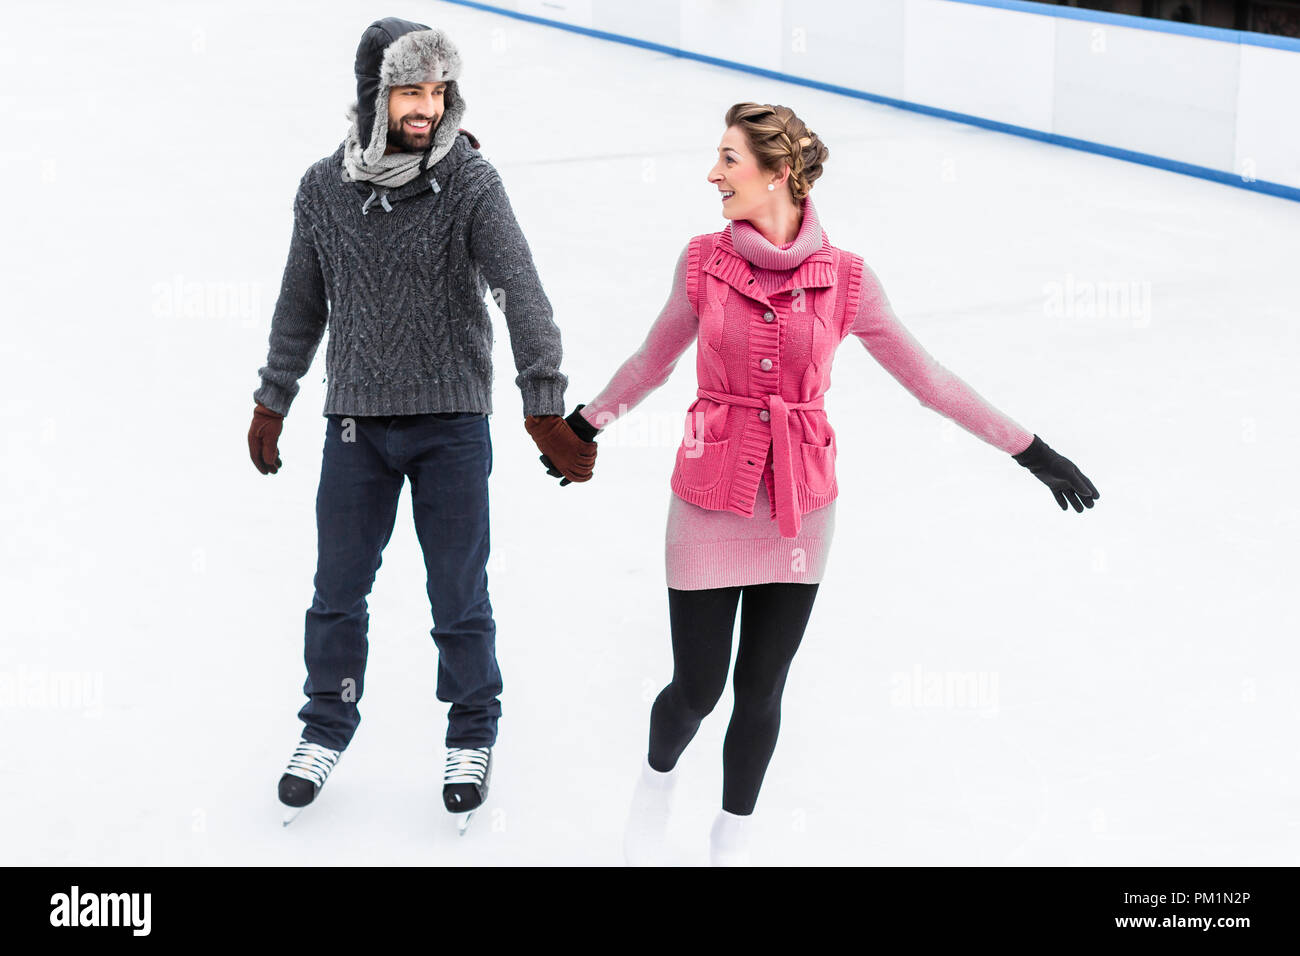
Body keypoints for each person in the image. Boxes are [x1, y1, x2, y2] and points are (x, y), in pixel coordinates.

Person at [548, 102, 1099, 865]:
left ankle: (729, 838)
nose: (712, 174)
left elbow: (929, 379)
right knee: (698, 688)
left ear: (778, 175)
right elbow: (654, 359)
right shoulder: (703, 260)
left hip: (802, 505)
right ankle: (656, 779)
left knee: (763, 688)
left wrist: (1029, 450)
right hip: (708, 493)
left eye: (729, 160)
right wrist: (585, 424)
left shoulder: (846, 279)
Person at [247, 16, 597, 829]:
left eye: (439, 92)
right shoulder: (323, 189)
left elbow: (522, 291)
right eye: (411, 90)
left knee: (457, 594)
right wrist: (275, 396)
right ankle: (326, 725)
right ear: (375, 95)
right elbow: (301, 303)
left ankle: (472, 729)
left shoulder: (470, 182)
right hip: (355, 426)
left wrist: (544, 407)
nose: (427, 108)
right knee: (337, 592)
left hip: (449, 426)